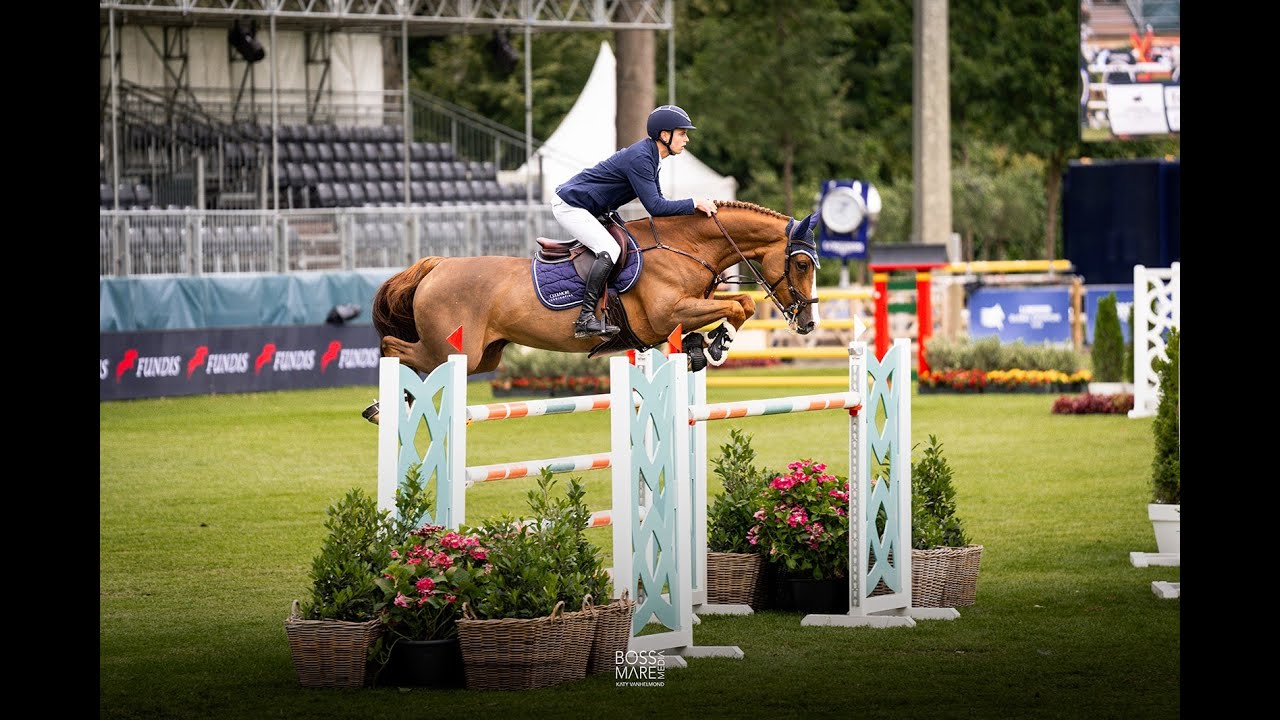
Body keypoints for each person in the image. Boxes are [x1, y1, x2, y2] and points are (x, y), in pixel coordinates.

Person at [552, 104, 718, 338]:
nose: (687, 139)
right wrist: (693, 203)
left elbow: (658, 202)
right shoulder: (641, 158)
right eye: (682, 133)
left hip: (593, 209)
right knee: (609, 248)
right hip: (572, 206)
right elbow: (656, 208)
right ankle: (585, 318)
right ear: (664, 135)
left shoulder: (651, 156)